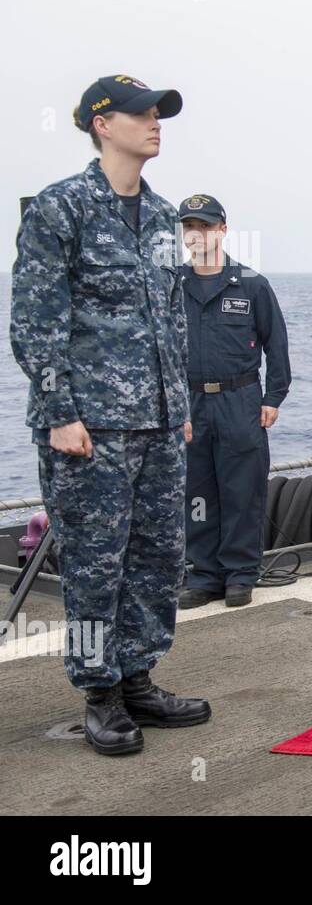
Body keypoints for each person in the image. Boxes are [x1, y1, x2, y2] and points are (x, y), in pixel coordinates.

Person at [9, 75, 210, 756]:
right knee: (96, 564)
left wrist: (176, 406)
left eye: (159, 114)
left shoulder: (160, 217)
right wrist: (60, 411)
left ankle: (138, 676)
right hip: (89, 428)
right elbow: (36, 322)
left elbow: (170, 320)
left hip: (156, 424)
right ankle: (99, 692)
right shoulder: (60, 209)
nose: (156, 123)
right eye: (142, 113)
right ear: (102, 123)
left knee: (158, 557)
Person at [177, 195, 291, 609]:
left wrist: (274, 396)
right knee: (198, 491)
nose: (198, 235)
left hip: (239, 399)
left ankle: (241, 573)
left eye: (206, 226)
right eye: (190, 227)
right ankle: (204, 575)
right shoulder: (173, 286)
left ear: (222, 230)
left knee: (241, 488)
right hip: (190, 402)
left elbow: (276, 345)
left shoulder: (251, 284)